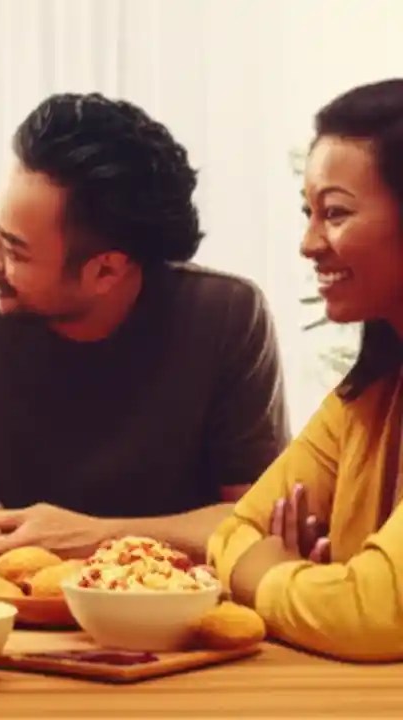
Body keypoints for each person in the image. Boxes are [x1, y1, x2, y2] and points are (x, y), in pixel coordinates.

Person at [0, 92, 289, 574]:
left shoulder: (225, 317)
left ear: (106, 271)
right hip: (11, 625)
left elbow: (253, 524)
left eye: (14, 250)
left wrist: (95, 538)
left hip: (174, 619)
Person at [209, 79, 403, 662]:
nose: (308, 243)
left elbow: (373, 614)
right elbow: (233, 532)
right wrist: (311, 591)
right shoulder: (368, 396)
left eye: (335, 213)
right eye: (308, 213)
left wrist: (271, 579)